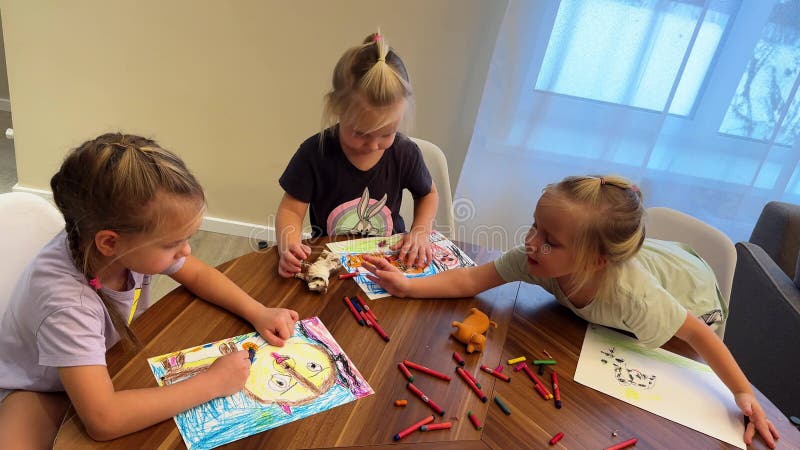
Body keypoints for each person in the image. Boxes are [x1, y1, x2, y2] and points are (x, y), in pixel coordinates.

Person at [362, 174, 780, 448]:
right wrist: (407, 286)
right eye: (534, 226)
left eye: (550, 240)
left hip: (691, 297)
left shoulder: (634, 297)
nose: (531, 242)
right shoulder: (536, 257)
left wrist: (741, 393)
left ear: (594, 261)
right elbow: (471, 280)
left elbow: (697, 335)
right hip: (643, 270)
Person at [0, 133, 299, 448]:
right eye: (173, 244)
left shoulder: (124, 246)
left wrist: (258, 312)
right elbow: (104, 420)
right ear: (109, 242)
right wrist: (212, 383)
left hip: (105, 360)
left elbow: (198, 274)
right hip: (35, 386)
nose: (185, 251)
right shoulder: (69, 304)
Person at [276, 31, 439, 278]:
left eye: (387, 133)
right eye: (361, 133)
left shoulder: (405, 152)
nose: (373, 145)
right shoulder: (314, 154)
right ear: (337, 109)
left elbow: (428, 194)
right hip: (330, 261)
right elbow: (291, 209)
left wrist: (420, 233)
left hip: (389, 261)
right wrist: (288, 245)